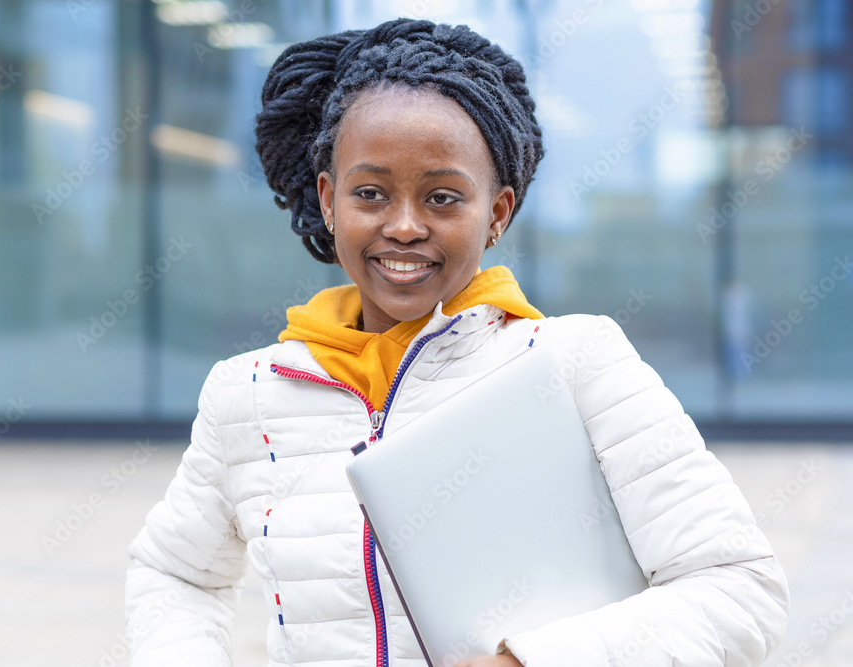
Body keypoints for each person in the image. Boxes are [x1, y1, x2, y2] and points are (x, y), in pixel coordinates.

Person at [124, 18, 789, 667]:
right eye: (370, 193)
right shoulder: (248, 395)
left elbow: (738, 587)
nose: (405, 225)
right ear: (329, 200)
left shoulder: (575, 365)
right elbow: (174, 572)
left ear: (497, 212)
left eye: (443, 196)